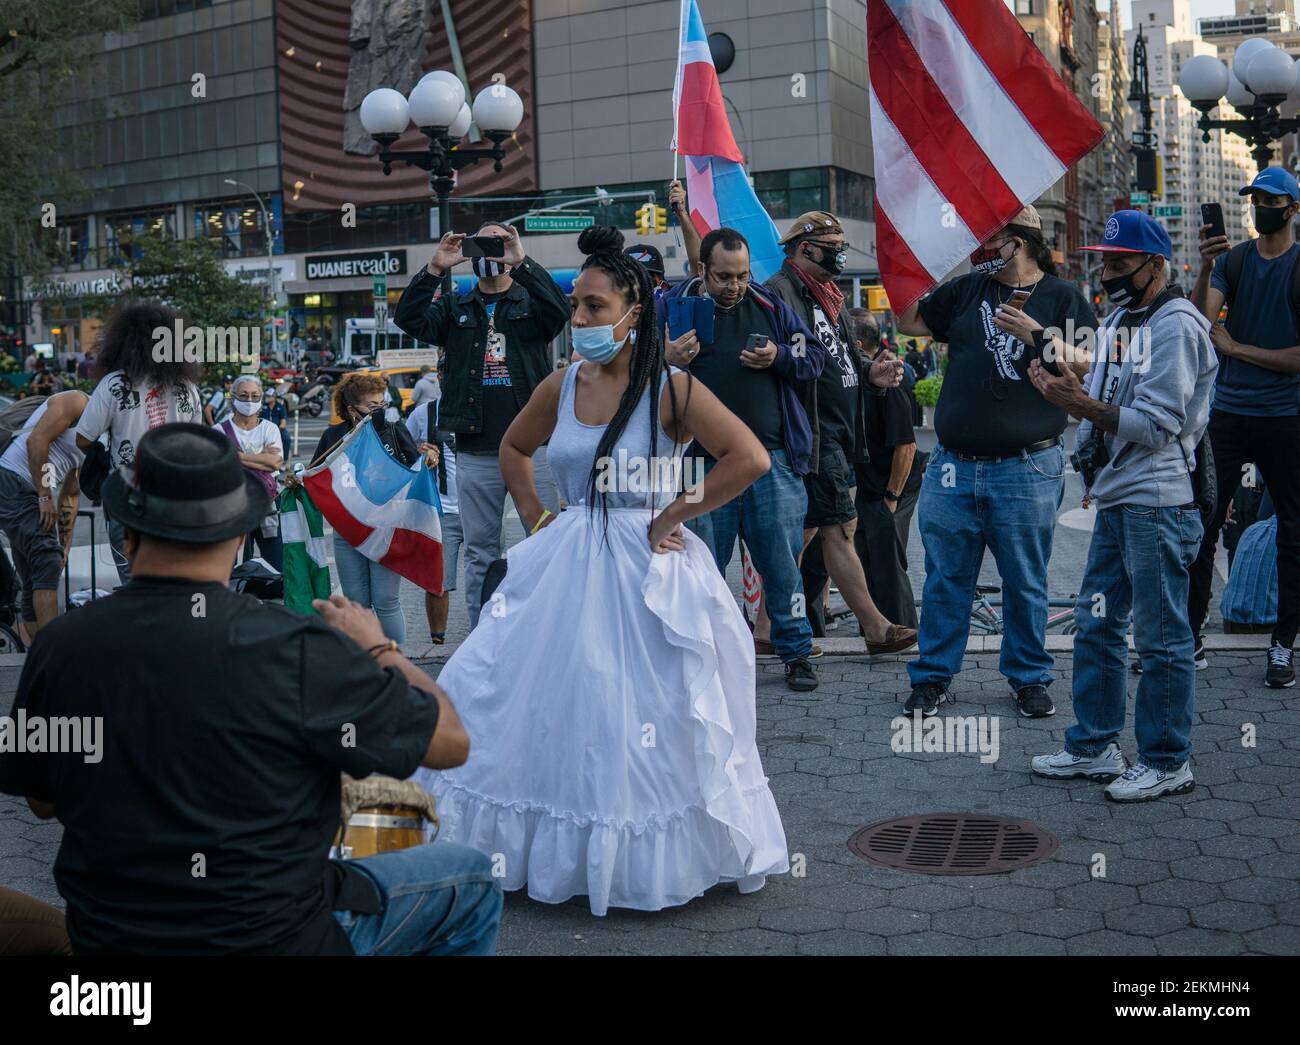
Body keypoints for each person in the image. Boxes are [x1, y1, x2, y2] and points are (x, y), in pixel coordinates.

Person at [0, 423, 500, 955]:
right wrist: (378, 649)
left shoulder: (60, 646)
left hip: (114, 939)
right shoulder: (296, 646)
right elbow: (450, 741)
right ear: (239, 537)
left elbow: (42, 802)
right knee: (470, 877)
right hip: (277, 937)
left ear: (127, 535)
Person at [414, 225, 787, 915]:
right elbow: (513, 448)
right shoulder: (561, 383)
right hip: (568, 559)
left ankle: (638, 857)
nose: (580, 318)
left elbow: (748, 458)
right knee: (541, 698)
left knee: (638, 713)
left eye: (592, 306)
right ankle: (548, 845)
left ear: (633, 312)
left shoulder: (672, 389)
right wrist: (535, 517)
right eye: (576, 304)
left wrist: (670, 515)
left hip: (647, 568)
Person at [1030, 210, 1216, 801]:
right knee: (1097, 622)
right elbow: (1105, 394)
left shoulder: (1177, 325)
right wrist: (1069, 399)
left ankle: (1166, 760)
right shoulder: (1119, 320)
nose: (1106, 271)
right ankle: (1095, 746)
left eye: (1119, 263)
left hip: (1156, 501)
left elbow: (1159, 425)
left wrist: (1077, 407)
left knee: (1160, 637)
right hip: (1117, 498)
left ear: (1154, 265)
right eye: (1103, 261)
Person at [896, 204, 1096, 718]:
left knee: (1025, 578)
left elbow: (1090, 360)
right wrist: (915, 263)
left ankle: (1029, 678)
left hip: (1026, 467)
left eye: (992, 239)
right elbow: (910, 320)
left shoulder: (1062, 296)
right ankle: (934, 677)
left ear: (1020, 240)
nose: (981, 248)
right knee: (944, 578)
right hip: (952, 466)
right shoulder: (965, 290)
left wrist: (1038, 334)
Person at [661, 226, 827, 691]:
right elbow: (630, 369)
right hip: (697, 464)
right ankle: (703, 655)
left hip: (770, 462)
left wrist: (778, 357)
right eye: (723, 277)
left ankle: (796, 652)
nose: (734, 286)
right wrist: (666, 358)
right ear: (701, 270)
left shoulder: (771, 306)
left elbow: (813, 360)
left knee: (782, 566)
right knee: (701, 568)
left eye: (741, 275)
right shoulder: (671, 308)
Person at [394, 223, 565, 629]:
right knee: (480, 550)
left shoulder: (531, 300)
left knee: (544, 542)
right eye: (482, 244)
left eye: (498, 242)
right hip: (476, 447)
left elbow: (560, 311)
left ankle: (548, 628)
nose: (492, 251)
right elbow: (409, 319)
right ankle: (484, 633)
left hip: (532, 447)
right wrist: (434, 268)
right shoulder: (456, 307)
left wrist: (521, 261)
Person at [765, 212, 919, 659]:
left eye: (840, 243)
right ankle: (876, 627)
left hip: (838, 431)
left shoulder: (829, 296)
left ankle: (764, 626)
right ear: (804, 248)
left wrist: (874, 373)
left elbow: (845, 360)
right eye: (831, 244)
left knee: (807, 530)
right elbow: (788, 364)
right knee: (839, 527)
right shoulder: (783, 292)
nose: (839, 252)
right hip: (813, 433)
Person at [1189, 167, 1300, 688]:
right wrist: (1208, 266)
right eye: (1254, 198)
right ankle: (1190, 639)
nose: (1260, 207)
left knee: (1293, 535)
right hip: (1229, 413)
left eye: (1270, 199)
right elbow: (1197, 322)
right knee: (1202, 524)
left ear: (1292, 208)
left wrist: (1237, 349)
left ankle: (1282, 645)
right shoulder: (1234, 260)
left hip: (1287, 417)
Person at [74, 301, 202, 585]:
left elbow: (83, 438)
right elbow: (196, 441)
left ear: (123, 342)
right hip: (175, 495)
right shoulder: (187, 388)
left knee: (134, 581)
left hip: (126, 494)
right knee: (175, 578)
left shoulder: (113, 385)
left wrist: (109, 453)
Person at [306, 372, 421, 645]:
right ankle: (366, 662)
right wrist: (297, 478)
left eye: (382, 404)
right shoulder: (333, 436)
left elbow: (417, 474)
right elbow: (315, 475)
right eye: (372, 406)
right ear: (350, 409)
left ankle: (397, 664)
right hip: (348, 532)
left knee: (386, 601)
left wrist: (427, 458)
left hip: (386, 531)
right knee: (357, 604)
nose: (380, 411)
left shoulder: (395, 430)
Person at [850, 309, 926, 628]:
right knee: (866, 556)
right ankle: (878, 627)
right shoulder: (861, 375)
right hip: (871, 486)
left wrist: (891, 498)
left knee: (888, 562)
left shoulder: (890, 378)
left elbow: (906, 446)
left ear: (856, 344)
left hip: (893, 487)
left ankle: (902, 629)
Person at [0, 390, 87, 637]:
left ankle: (38, 656)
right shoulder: (78, 402)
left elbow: (71, 494)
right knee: (46, 559)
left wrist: (66, 547)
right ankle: (52, 653)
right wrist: (45, 494)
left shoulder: (101, 436)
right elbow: (37, 441)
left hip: (25, 489)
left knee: (35, 571)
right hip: (12, 480)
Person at [215, 374, 284, 573]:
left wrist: (234, 457)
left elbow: (275, 462)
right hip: (233, 507)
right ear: (233, 397)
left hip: (267, 505)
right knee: (235, 566)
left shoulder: (269, 429)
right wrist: (261, 458)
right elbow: (220, 468)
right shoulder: (219, 430)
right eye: (244, 395)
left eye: (255, 395)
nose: (249, 400)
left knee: (275, 565)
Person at [406, 397, 456, 645]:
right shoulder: (424, 413)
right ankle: (438, 638)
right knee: (439, 578)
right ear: (440, 376)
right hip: (441, 509)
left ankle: (485, 633)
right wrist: (419, 450)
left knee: (488, 573)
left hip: (481, 505)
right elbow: (403, 447)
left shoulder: (487, 404)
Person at [261, 385, 291, 458]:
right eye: (266, 396)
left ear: (274, 397)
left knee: (286, 438)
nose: (267, 398)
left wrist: (279, 429)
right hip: (263, 428)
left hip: (278, 429)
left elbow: (283, 420)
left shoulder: (280, 406)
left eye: (269, 396)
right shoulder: (262, 406)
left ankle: (284, 460)